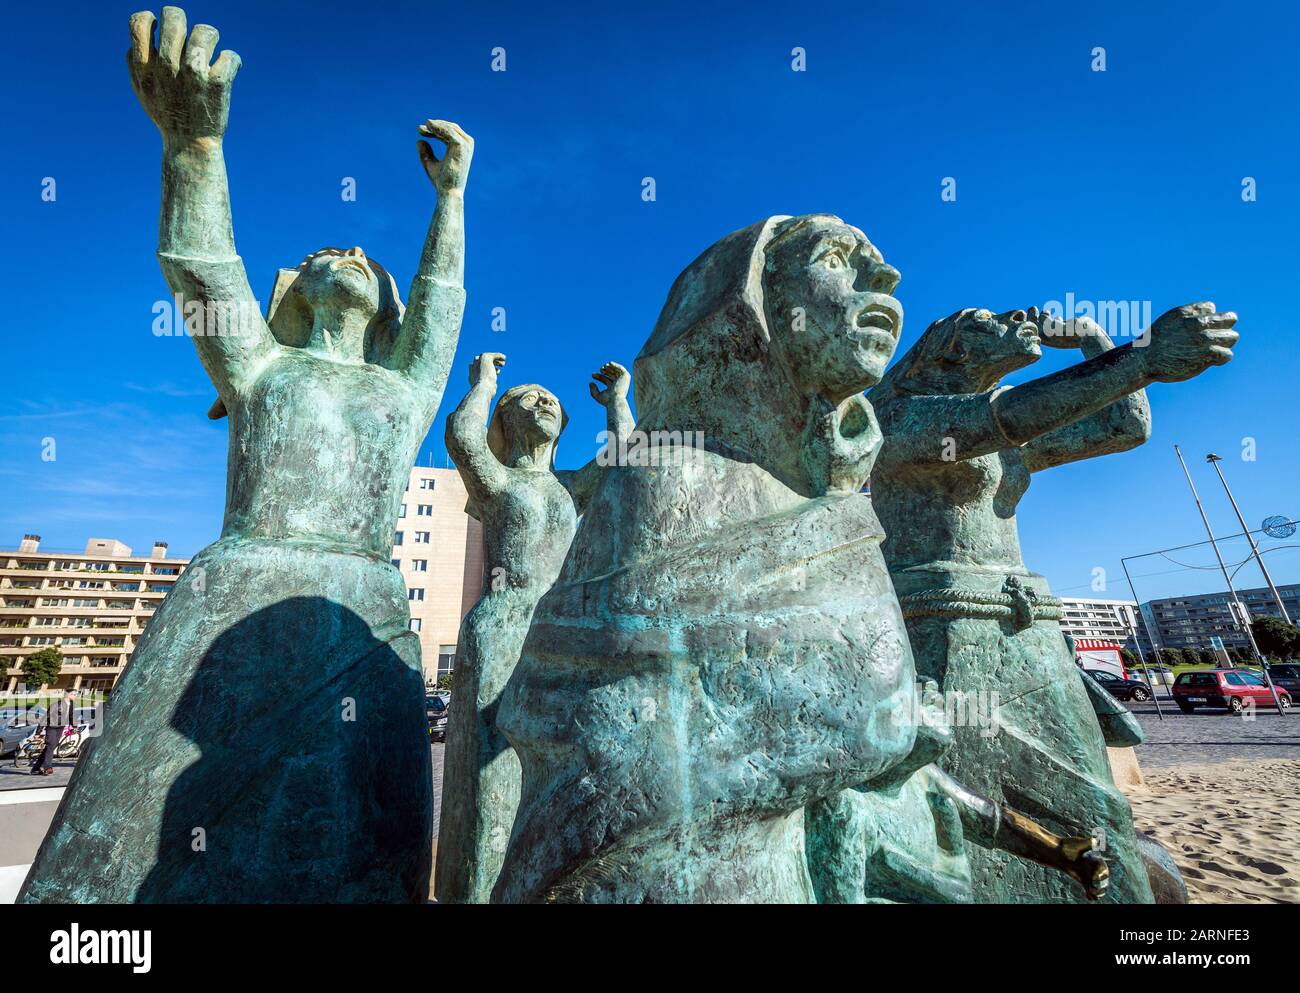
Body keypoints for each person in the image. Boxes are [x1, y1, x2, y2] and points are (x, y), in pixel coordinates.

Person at [32, 690, 76, 777]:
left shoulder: (71, 705)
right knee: (51, 745)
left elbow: (71, 716)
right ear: (68, 695)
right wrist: (38, 732)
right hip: (51, 727)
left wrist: (74, 726)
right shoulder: (56, 705)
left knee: (50, 748)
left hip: (60, 728)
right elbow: (45, 718)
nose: (76, 696)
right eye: (74, 694)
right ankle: (47, 767)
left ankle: (36, 768)